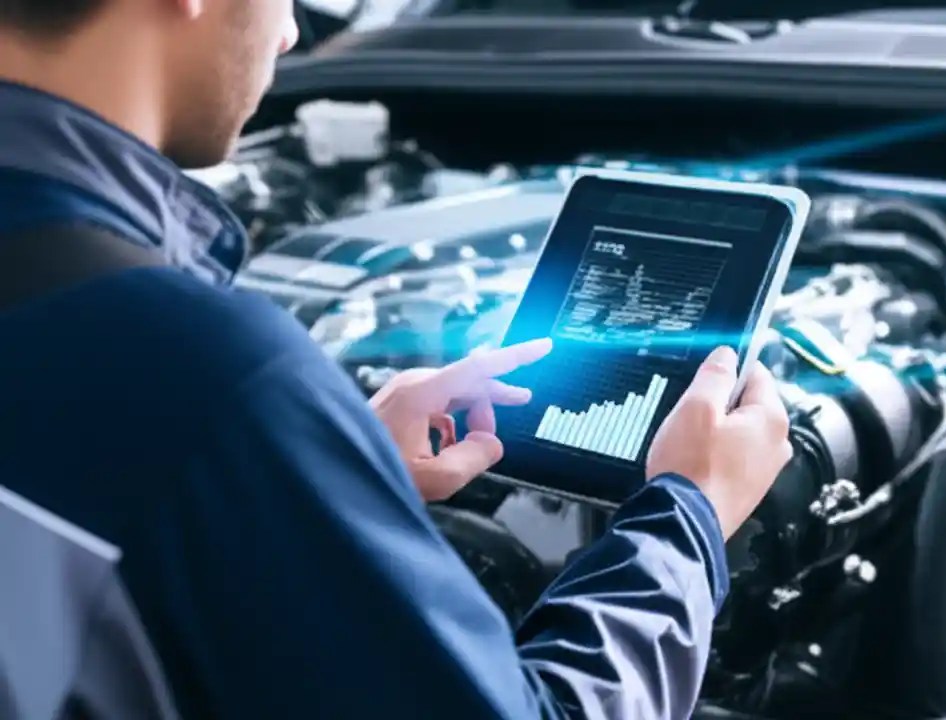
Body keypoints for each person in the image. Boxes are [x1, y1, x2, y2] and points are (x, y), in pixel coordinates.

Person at [0, 1, 794, 719]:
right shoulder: (202, 378)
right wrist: (688, 513)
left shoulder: (171, 381)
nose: (291, 31)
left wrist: (323, 467)